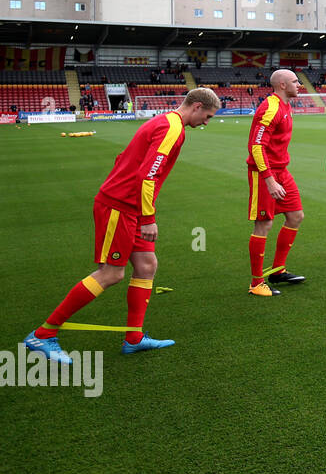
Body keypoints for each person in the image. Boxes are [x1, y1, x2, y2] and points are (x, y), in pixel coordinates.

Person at [24, 88, 220, 363]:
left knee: (147, 265)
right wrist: (148, 217)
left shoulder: (165, 122)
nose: (207, 122)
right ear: (197, 106)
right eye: (208, 116)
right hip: (120, 206)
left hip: (131, 206)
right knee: (112, 273)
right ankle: (42, 334)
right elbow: (147, 174)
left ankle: (134, 338)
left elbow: (125, 160)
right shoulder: (172, 128)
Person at [247, 70, 306, 297]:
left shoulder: (286, 105)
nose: (299, 84)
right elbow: (256, 146)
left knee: (295, 216)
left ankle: (278, 271)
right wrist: (269, 180)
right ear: (282, 85)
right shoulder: (270, 107)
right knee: (264, 224)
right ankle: (256, 283)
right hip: (264, 173)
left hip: (282, 170)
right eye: (294, 81)